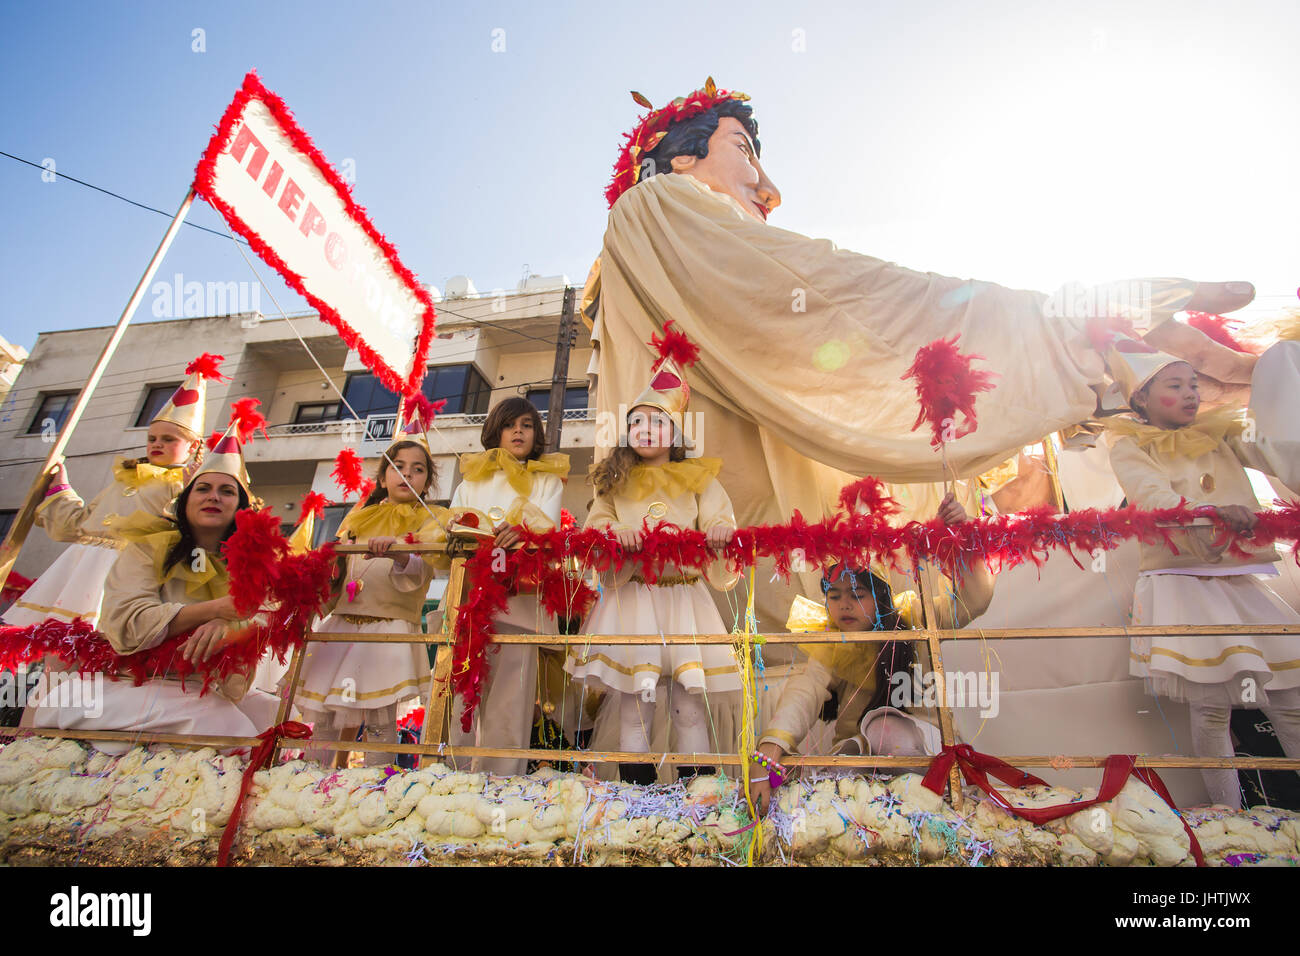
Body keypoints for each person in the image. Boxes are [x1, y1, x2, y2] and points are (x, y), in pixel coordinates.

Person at [586, 77, 1257, 630]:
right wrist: (1054, 324)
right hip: (714, 551)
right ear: (678, 160)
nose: (768, 187)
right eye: (745, 150)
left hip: (726, 558)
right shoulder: (657, 206)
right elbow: (837, 297)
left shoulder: (650, 233)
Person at [1104, 346, 1300, 809]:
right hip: (1182, 580)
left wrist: (1282, 378)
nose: (1191, 394)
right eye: (1176, 386)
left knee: (1290, 697)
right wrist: (1210, 513)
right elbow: (1152, 498)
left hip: (1237, 576)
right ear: (1143, 398)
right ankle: (1231, 820)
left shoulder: (1222, 433)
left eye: (1194, 384)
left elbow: (1276, 448)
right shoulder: (1128, 445)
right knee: (1212, 709)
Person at [27, 409, 279, 750]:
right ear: (184, 502)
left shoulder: (256, 562)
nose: (213, 496)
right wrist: (217, 609)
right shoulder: (146, 548)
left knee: (276, 719)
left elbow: (273, 617)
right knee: (232, 734)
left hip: (207, 688)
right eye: (202, 488)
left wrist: (231, 624)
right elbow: (127, 623)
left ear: (241, 508)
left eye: (226, 491)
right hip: (128, 684)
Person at [750, 494, 994, 812]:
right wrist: (770, 746)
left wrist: (961, 537)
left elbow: (974, 601)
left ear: (879, 598)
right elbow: (804, 692)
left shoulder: (914, 620)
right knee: (821, 785)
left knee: (886, 730)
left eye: (856, 594)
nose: (844, 605)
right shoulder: (831, 641)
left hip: (924, 758)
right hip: (862, 759)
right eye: (834, 596)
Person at [565, 353, 739, 784]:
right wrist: (612, 536)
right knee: (635, 703)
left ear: (675, 432)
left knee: (688, 704)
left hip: (684, 599)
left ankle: (698, 791)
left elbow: (720, 518)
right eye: (637, 423)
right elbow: (596, 528)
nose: (646, 430)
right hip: (633, 600)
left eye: (657, 422)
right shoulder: (613, 483)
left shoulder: (699, 478)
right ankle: (637, 800)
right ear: (627, 433)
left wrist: (717, 531)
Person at [3, 353, 225, 628]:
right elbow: (81, 523)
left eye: (168, 439)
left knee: (100, 644)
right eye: (152, 438)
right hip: (81, 565)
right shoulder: (126, 478)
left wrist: (192, 491)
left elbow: (187, 533)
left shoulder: (186, 483)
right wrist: (60, 485)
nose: (157, 444)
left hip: (128, 572)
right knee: (57, 640)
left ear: (192, 447)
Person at [293, 411, 442, 768]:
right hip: (342, 625)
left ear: (427, 480)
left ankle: (378, 785)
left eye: (418, 469)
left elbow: (424, 571)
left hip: (388, 629)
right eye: (398, 466)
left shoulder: (432, 520)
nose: (407, 474)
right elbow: (338, 572)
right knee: (325, 717)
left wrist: (400, 555)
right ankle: (308, 786)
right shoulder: (357, 517)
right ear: (383, 475)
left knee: (379, 720)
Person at [446, 396, 569, 775]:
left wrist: (524, 531)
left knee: (511, 701)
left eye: (527, 425)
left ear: (537, 434)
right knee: (462, 693)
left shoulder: (548, 480)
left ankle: (501, 786)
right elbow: (453, 525)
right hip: (470, 604)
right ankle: (449, 782)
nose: (518, 431)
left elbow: (549, 530)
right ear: (495, 430)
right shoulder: (472, 479)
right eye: (510, 424)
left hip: (520, 605)